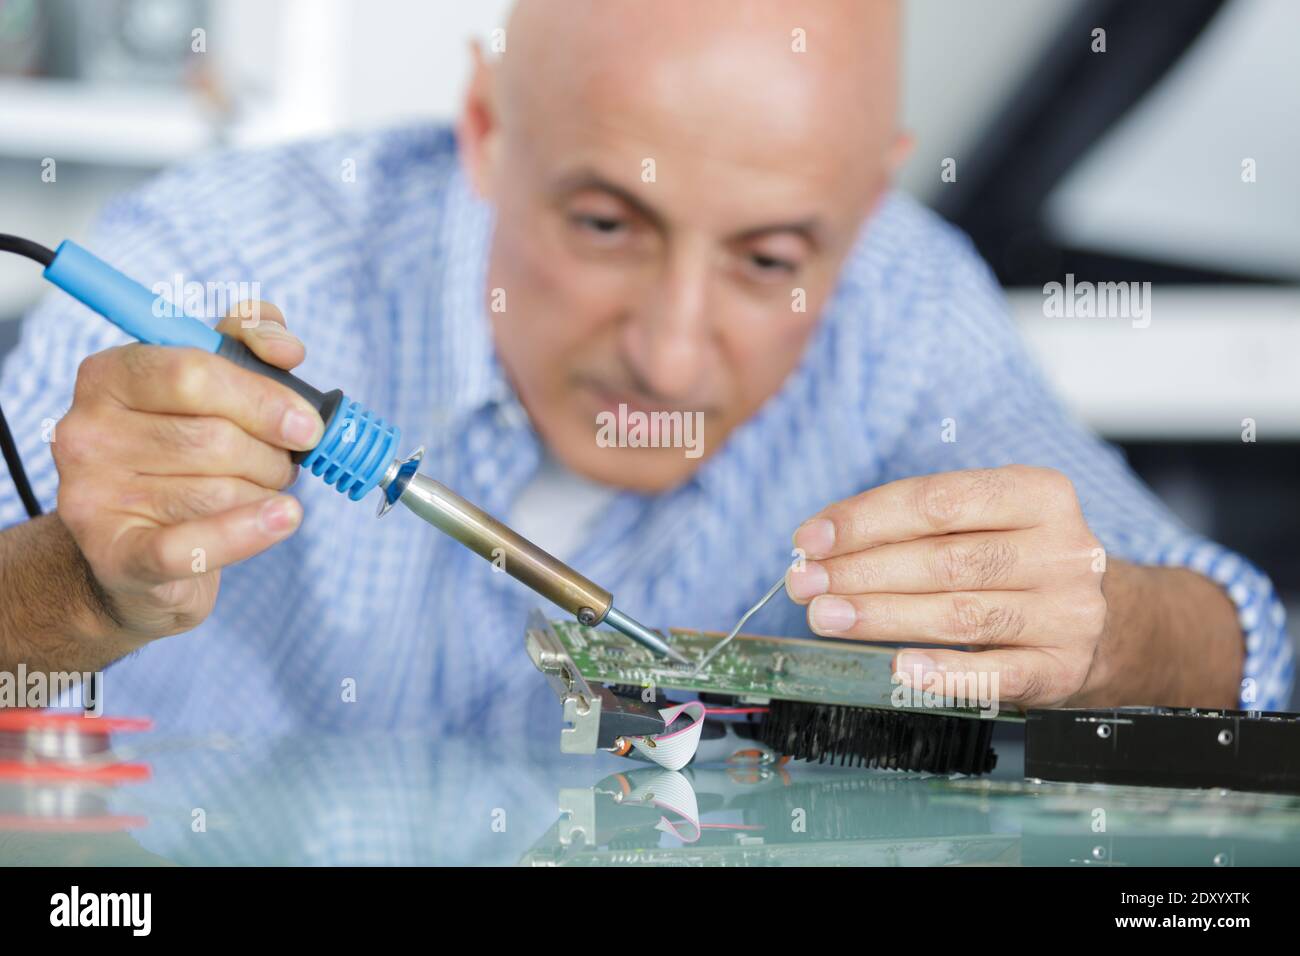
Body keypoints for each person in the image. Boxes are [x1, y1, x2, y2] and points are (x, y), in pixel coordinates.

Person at [0, 0, 1290, 733]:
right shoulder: (198, 268)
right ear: (490, 127)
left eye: (771, 257)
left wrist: (1111, 635)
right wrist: (74, 589)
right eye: (607, 224)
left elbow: (1237, 645)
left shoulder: (906, 297)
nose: (672, 357)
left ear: (871, 191)